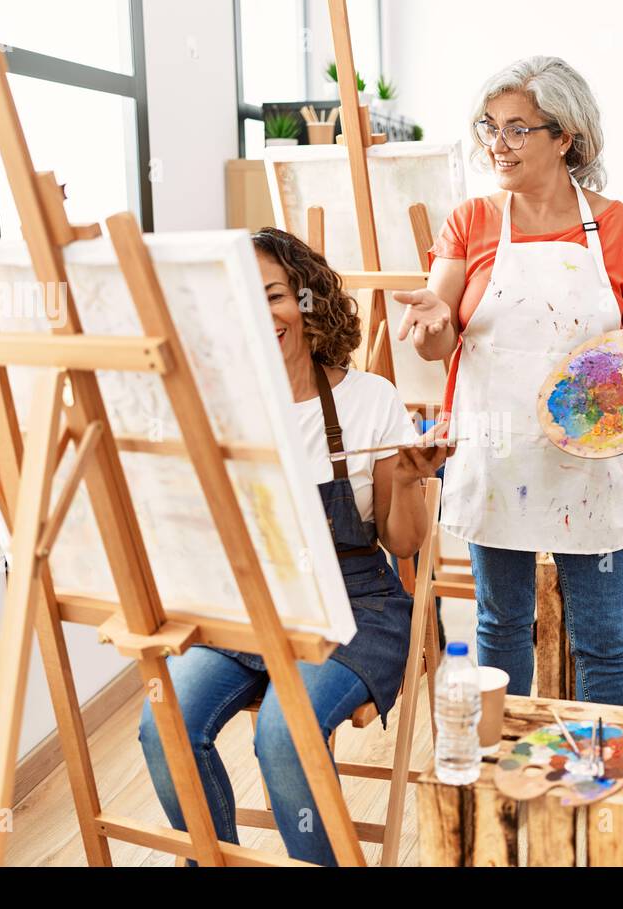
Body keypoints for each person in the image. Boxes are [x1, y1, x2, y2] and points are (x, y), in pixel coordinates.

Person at [139, 228, 450, 866]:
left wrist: (414, 478)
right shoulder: (223, 408)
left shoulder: (369, 401)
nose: (264, 315)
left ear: (306, 303)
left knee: (286, 732)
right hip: (254, 609)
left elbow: (404, 541)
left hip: (356, 606)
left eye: (275, 295)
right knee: (162, 722)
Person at [395, 56, 623, 706]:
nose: (497, 143)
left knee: (603, 636)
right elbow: (443, 335)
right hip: (496, 454)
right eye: (489, 126)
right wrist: (433, 321)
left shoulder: (618, 228)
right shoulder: (470, 222)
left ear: (566, 137)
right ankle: (505, 785)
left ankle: (611, 793)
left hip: (592, 455)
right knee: (501, 627)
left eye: (517, 128)